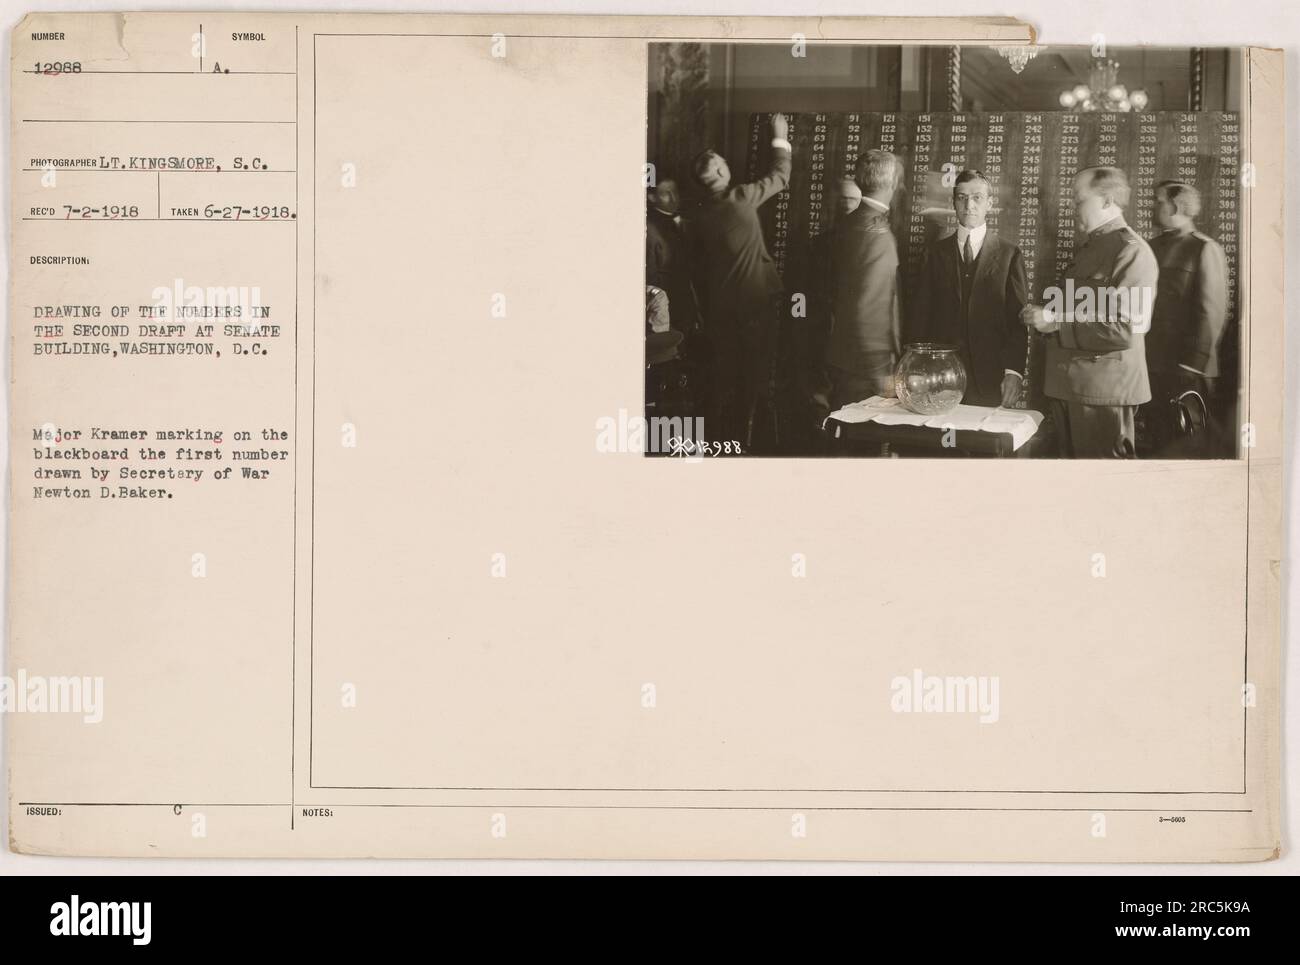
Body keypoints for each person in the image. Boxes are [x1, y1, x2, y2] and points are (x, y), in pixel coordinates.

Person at [1022, 166, 1159, 458]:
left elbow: (1123, 330)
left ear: (1107, 200)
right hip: (1073, 388)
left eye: (1079, 199)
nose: (1073, 207)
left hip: (1102, 394)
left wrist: (1056, 322)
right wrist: (1046, 315)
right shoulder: (1093, 248)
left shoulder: (1131, 252)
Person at [689, 113, 792, 449]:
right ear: (720, 172)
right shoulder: (742, 198)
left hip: (720, 311)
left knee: (727, 378)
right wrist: (780, 136)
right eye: (722, 161)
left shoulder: (698, 218)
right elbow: (780, 176)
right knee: (757, 378)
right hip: (757, 306)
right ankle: (751, 443)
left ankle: (724, 443)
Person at [910, 169, 1029, 408]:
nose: (969, 205)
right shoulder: (933, 254)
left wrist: (1014, 372)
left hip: (990, 379)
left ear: (989, 204)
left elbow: (1017, 322)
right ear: (953, 202)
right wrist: (916, 367)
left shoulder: (1009, 254)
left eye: (977, 198)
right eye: (962, 197)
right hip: (940, 377)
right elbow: (920, 317)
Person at [1143, 180, 1230, 452]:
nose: (1152, 206)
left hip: (1186, 370)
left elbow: (1211, 312)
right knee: (1156, 442)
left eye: (1158, 201)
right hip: (1152, 366)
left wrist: (1193, 365)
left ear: (1176, 204)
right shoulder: (1149, 247)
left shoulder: (1204, 248)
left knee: (1186, 445)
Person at [824, 149, 902, 409]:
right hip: (866, 368)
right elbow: (871, 308)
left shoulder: (846, 225)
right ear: (892, 184)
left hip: (843, 356)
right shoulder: (879, 236)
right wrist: (881, 369)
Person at [645, 178, 700, 333]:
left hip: (688, 298)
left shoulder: (684, 222)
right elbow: (650, 278)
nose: (674, 197)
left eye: (674, 191)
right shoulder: (649, 230)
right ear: (652, 198)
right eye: (666, 194)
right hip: (668, 303)